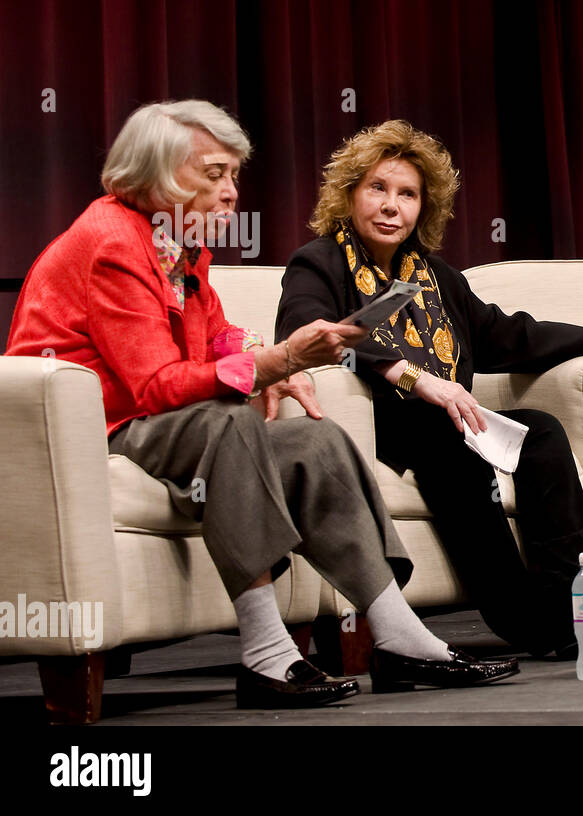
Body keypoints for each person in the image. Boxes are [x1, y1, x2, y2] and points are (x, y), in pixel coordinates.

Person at [5, 100, 520, 709]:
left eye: (233, 176)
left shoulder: (178, 241)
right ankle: (265, 655)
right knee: (229, 425)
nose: (231, 194)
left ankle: (399, 637)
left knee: (317, 441)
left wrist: (253, 352)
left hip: (157, 421)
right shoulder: (113, 244)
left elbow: (211, 333)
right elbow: (155, 388)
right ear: (160, 174)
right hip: (94, 424)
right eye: (214, 174)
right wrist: (276, 363)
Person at [275, 120, 583, 658]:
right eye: (377, 188)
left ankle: (572, 599)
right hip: (382, 428)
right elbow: (307, 334)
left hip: (449, 423)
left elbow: (508, 333)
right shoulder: (319, 263)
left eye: (406, 194)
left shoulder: (435, 277)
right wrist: (412, 377)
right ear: (350, 194)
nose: (391, 206)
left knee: (542, 431)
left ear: (422, 209)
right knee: (448, 438)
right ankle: (524, 620)